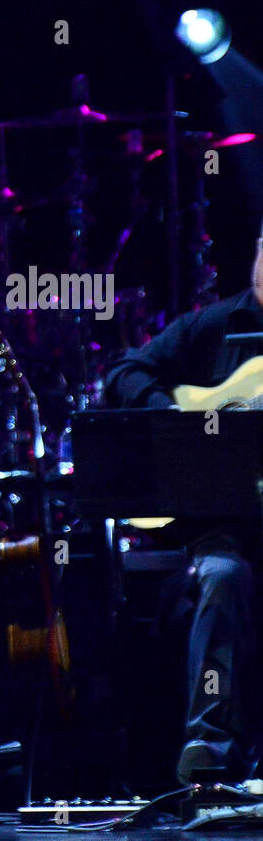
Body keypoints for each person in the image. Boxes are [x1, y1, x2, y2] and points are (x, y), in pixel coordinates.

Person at [104, 222, 263, 785]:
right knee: (222, 578)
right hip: (221, 532)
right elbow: (126, 371)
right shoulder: (212, 326)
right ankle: (210, 753)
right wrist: (175, 418)